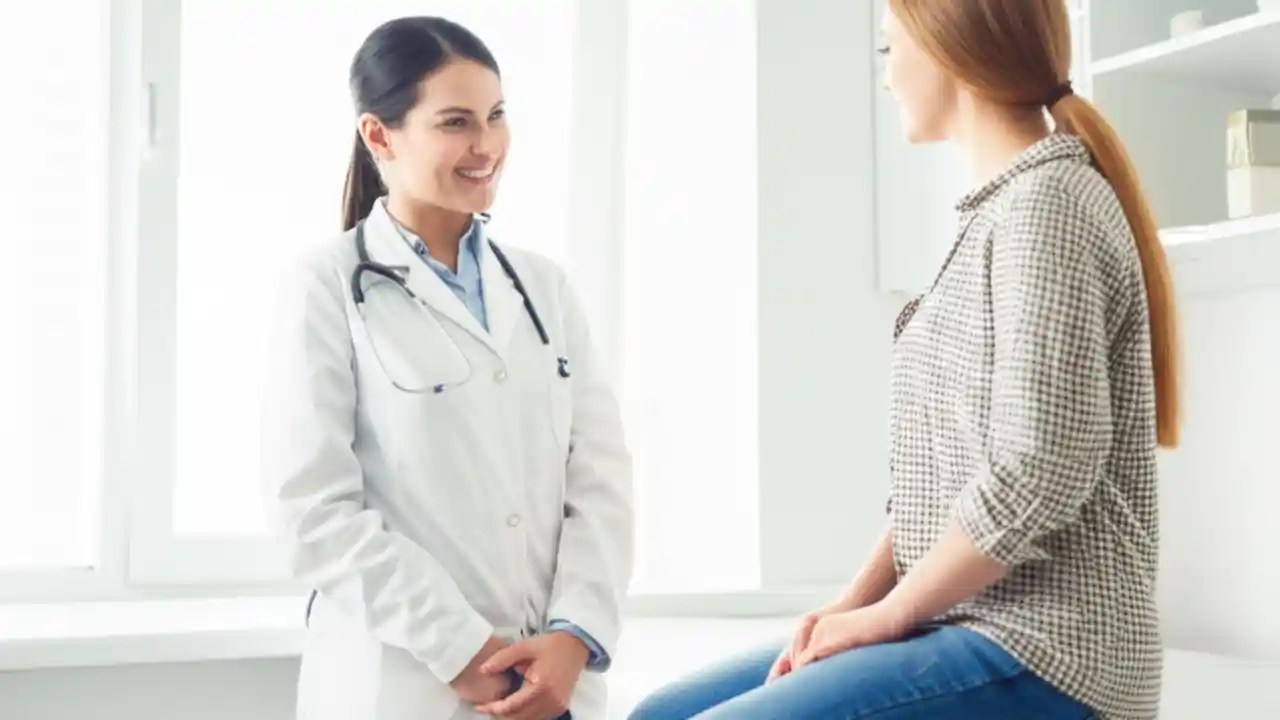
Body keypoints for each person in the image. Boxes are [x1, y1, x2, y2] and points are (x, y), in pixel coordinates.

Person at [629, 1, 1178, 718]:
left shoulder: (1049, 205)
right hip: (963, 621)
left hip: (1051, 647)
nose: (885, 77)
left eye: (890, 50)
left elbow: (1041, 467)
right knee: (658, 714)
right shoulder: (997, 212)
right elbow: (952, 487)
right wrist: (847, 607)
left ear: (949, 48)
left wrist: (886, 619)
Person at [260, 16, 633, 720]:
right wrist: (462, 649)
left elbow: (601, 479)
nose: (485, 146)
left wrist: (573, 636)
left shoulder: (543, 287)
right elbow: (314, 511)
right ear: (379, 135)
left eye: (496, 117)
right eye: (456, 122)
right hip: (406, 686)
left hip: (554, 686)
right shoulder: (326, 286)